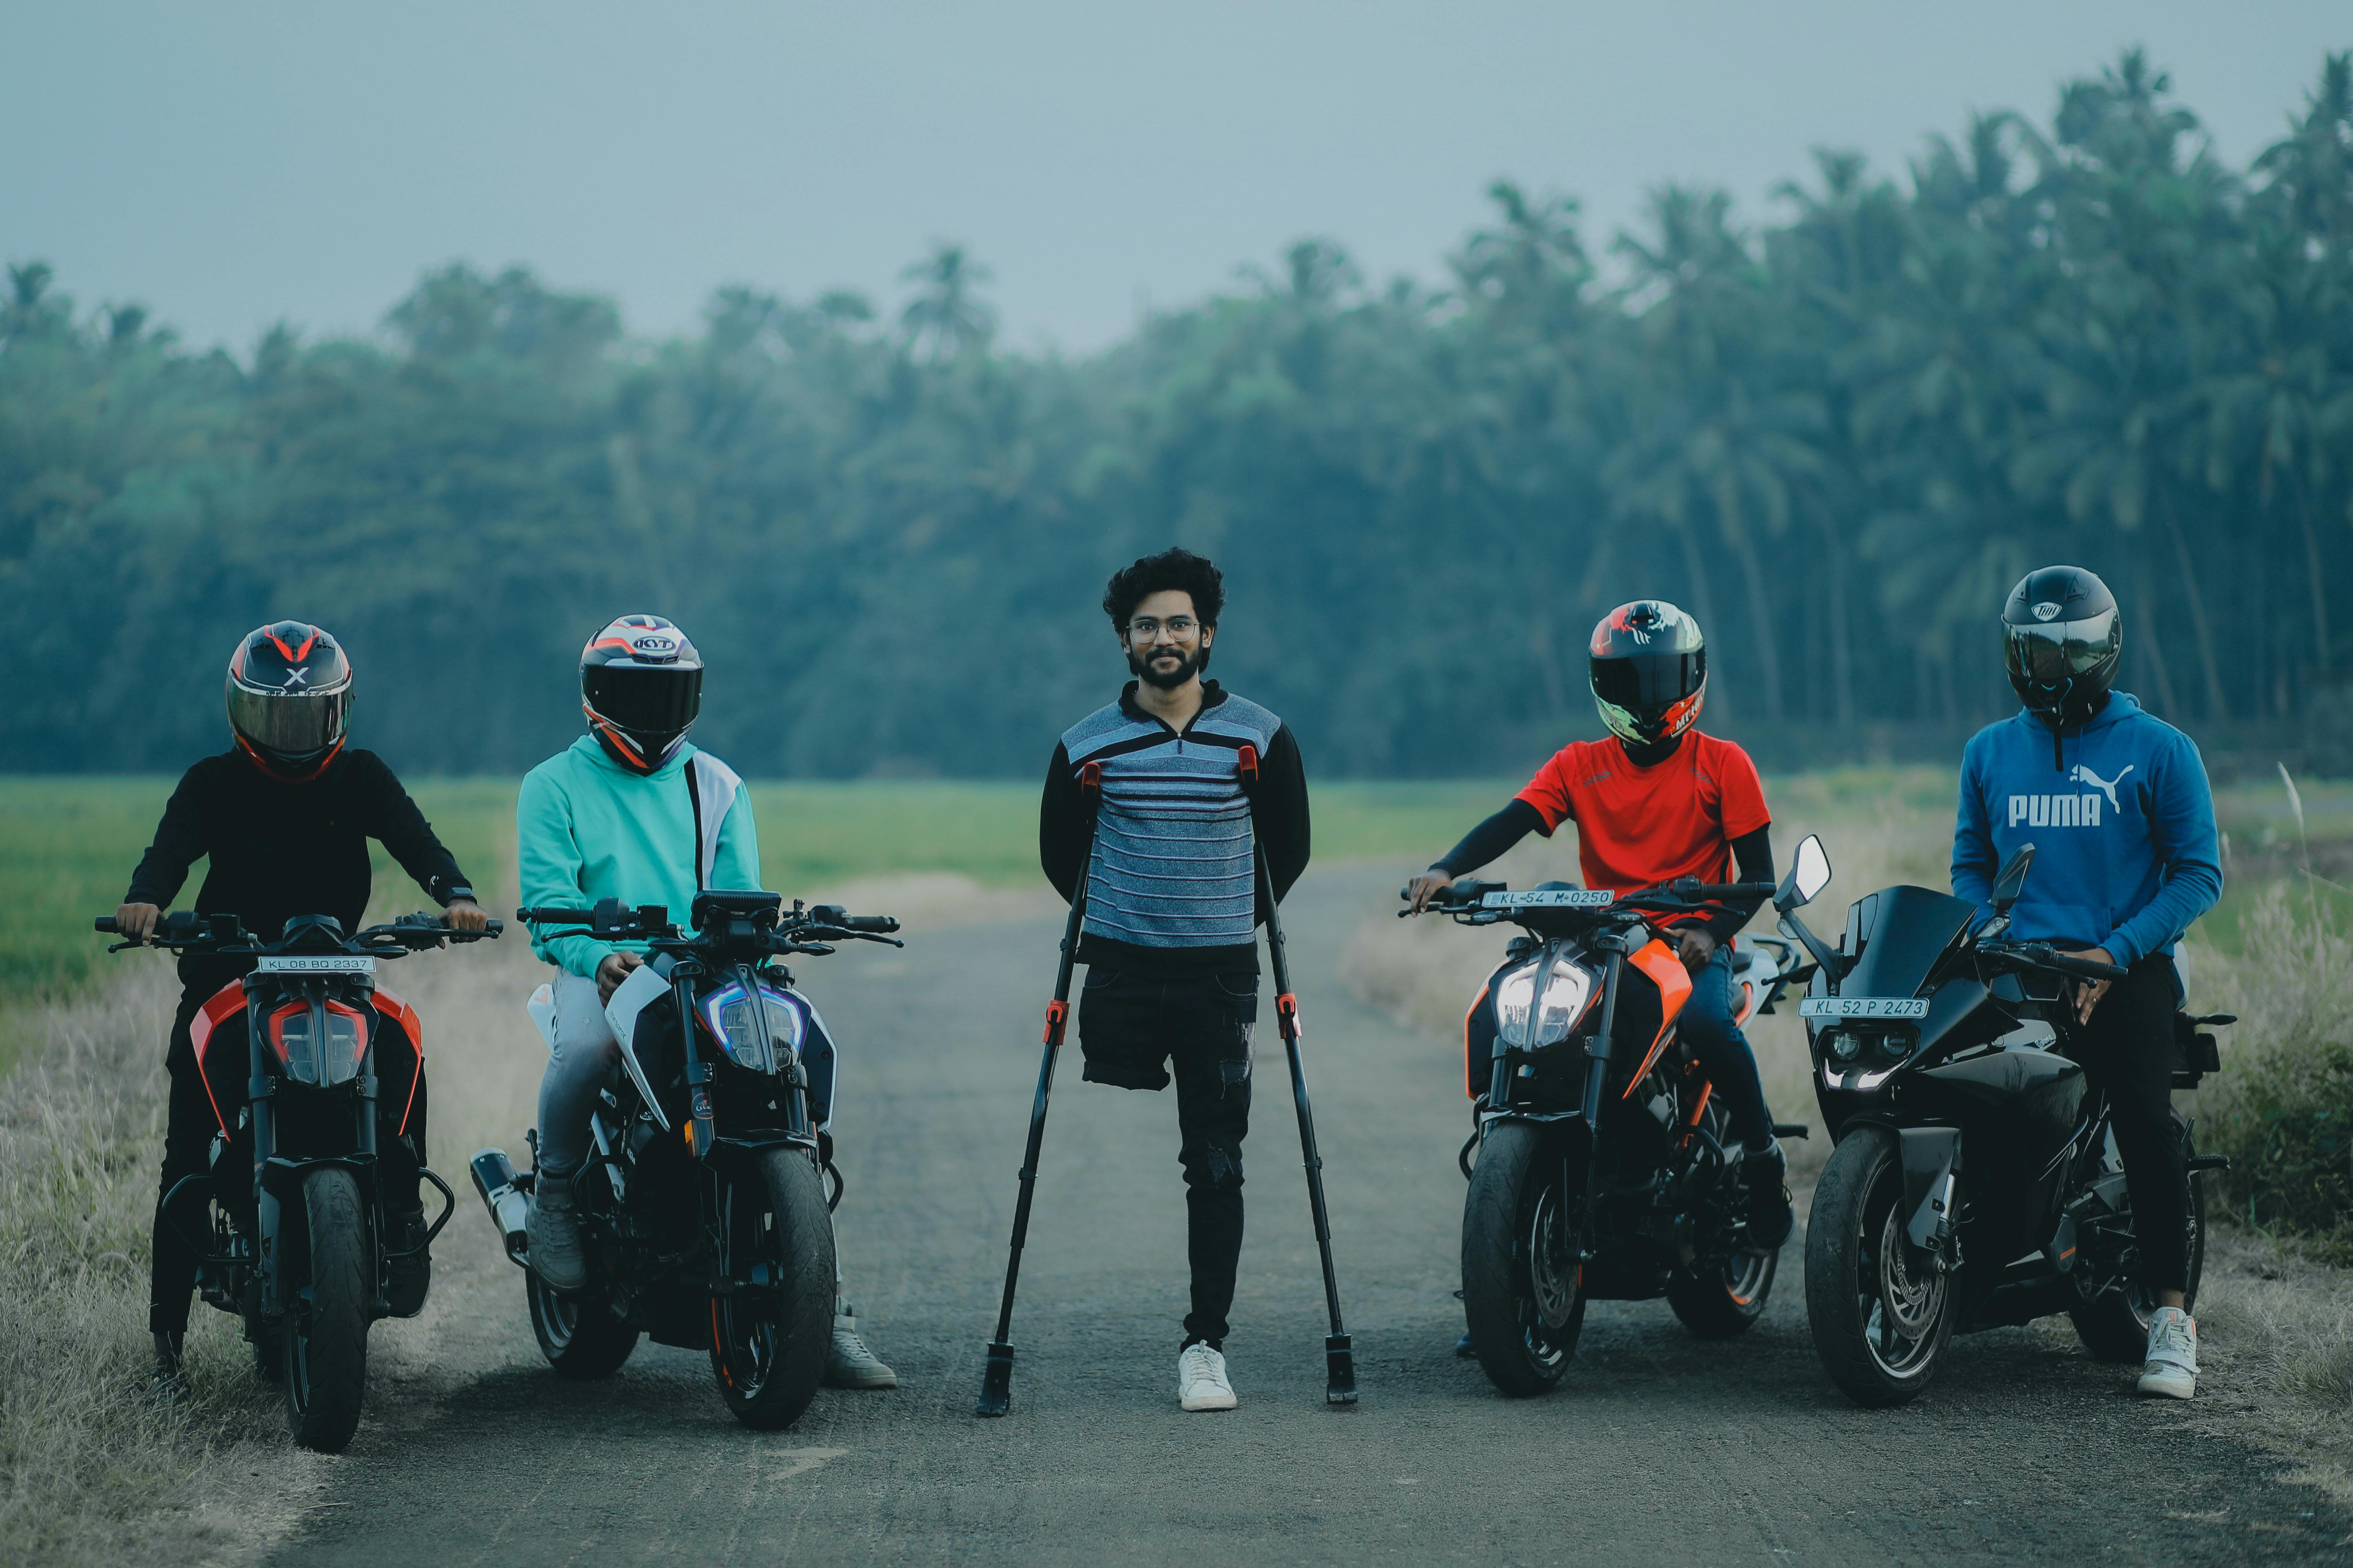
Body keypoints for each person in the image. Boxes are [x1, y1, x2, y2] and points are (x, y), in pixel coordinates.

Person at [516, 613, 894, 1390]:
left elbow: (740, 895)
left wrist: (758, 947)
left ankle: (824, 1307)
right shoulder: (552, 785)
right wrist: (596, 956)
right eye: (635, 693)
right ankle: (553, 1194)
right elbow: (550, 907)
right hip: (606, 967)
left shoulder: (717, 782)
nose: (654, 712)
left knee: (793, 1061)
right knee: (586, 1047)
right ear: (596, 697)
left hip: (704, 968)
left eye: (669, 694)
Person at [117, 621, 489, 1398]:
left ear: (338, 711)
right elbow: (168, 853)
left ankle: (399, 1200)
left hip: (335, 970)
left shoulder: (362, 777)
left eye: (306, 715)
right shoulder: (212, 782)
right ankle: (165, 1352)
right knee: (187, 1154)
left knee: (401, 1045)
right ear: (240, 713)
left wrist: (454, 894)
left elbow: (418, 843)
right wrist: (146, 899)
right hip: (231, 975)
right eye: (274, 716)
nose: (290, 733)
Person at [1404, 600, 1793, 1304]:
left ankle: (1764, 1161)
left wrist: (1711, 933)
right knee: (1531, 1032)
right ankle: (1503, 1271)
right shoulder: (1578, 765)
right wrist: (1446, 869)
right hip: (1605, 941)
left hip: (1685, 947)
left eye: (1661, 679)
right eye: (1630, 681)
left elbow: (1757, 880)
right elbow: (1513, 820)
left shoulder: (1723, 764)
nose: (1647, 698)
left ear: (1692, 679)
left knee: (1707, 1024)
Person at [1040, 548, 1310, 1413]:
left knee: (1216, 1161)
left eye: (1180, 624)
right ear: (1125, 640)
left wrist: (1227, 917)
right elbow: (1060, 856)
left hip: (1219, 980)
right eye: (1148, 625)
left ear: (1208, 634)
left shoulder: (1260, 736)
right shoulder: (1086, 745)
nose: (1166, 638)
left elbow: (1289, 849)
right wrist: (1126, 916)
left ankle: (1205, 1345)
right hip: (1121, 972)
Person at [1953, 565, 2221, 1399]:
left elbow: (2198, 875)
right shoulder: (1988, 752)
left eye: (2066, 652)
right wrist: (1988, 932)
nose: (2049, 669)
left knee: (2142, 1117)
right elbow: (1970, 866)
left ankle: (2171, 1321)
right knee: (1957, 1087)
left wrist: (2114, 954)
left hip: (2128, 963)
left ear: (2103, 651)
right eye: (2032, 651)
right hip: (2019, 963)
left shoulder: (2161, 749)